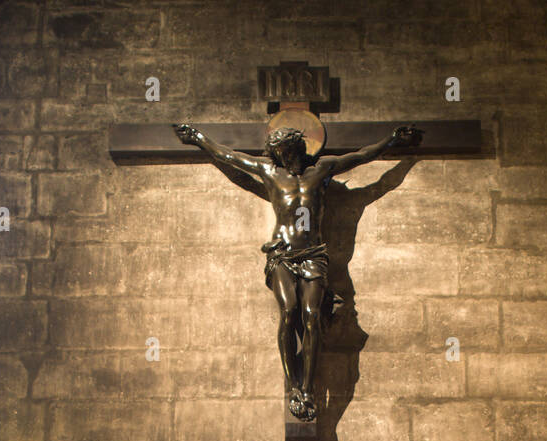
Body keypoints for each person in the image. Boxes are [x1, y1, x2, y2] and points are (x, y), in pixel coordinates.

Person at [174, 120, 420, 421]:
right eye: (278, 151)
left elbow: (362, 156)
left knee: (313, 316)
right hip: (282, 255)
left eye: (287, 149)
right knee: (289, 312)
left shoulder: (322, 170)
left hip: (314, 254)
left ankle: (306, 388)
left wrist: (392, 141)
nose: (283, 155)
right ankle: (294, 386)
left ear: (297, 147)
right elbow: (229, 157)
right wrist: (199, 138)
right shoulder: (269, 172)